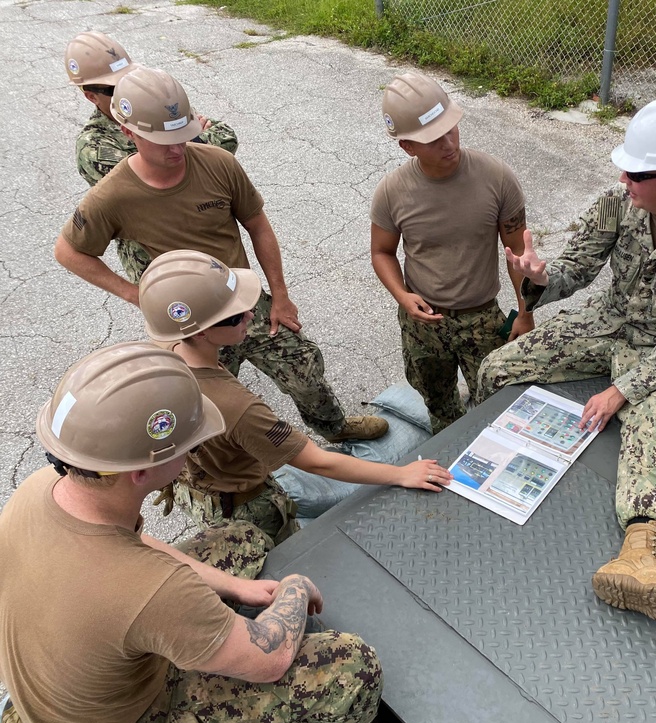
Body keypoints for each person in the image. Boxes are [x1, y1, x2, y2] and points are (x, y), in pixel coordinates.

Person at [0, 342, 382, 723]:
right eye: (189, 444)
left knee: (243, 539)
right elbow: (271, 659)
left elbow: (134, 544)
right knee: (351, 663)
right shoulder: (153, 590)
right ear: (142, 470)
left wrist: (235, 586)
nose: (193, 450)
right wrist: (296, 587)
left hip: (73, 703)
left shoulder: (42, 487)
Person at [477, 97, 656, 626]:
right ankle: (484, 462)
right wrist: (538, 276)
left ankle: (638, 559)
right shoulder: (618, 204)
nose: (624, 177)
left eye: (636, 172)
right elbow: (576, 268)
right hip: (608, 321)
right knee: (498, 367)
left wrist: (623, 389)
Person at [53, 66, 387, 444]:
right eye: (165, 142)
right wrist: (135, 294)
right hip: (190, 325)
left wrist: (280, 295)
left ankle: (334, 427)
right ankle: (237, 472)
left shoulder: (217, 163)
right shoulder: (113, 195)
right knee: (208, 406)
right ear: (128, 132)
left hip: (242, 298)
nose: (179, 149)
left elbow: (257, 224)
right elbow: (68, 252)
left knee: (303, 367)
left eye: (184, 135)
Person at [139, 250, 452, 544]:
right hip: (245, 508)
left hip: (197, 490)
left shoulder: (160, 355)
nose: (250, 315)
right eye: (235, 316)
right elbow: (320, 464)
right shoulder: (237, 407)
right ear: (199, 333)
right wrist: (401, 474)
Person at [371, 72, 533, 434]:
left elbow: (518, 252)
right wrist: (402, 296)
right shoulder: (392, 192)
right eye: (433, 138)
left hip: (482, 321)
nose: (449, 143)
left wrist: (525, 313)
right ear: (407, 146)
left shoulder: (496, 178)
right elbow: (382, 252)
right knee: (439, 404)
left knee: (495, 407)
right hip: (423, 323)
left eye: (451, 129)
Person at [64, 30, 239, 276]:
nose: (128, 90)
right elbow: (154, 184)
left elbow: (227, 138)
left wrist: (184, 141)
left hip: (209, 238)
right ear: (91, 96)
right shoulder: (93, 147)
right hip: (158, 264)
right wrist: (193, 136)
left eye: (130, 78)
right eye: (115, 88)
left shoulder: (152, 105)